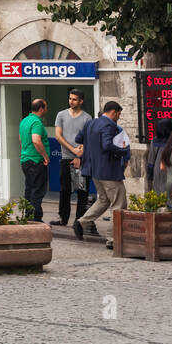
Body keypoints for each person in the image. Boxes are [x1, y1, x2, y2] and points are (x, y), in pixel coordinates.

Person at [73, 100, 129, 242]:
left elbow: (78, 138)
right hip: (109, 169)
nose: (119, 117)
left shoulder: (90, 123)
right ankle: (113, 239)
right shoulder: (110, 124)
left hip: (94, 170)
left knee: (103, 200)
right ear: (113, 112)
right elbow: (107, 145)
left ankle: (81, 222)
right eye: (119, 114)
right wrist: (122, 151)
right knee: (119, 203)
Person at [51, 89, 91, 228]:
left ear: (81, 101)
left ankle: (79, 221)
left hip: (81, 159)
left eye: (74, 99)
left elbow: (88, 139)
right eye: (70, 98)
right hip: (66, 157)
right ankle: (63, 218)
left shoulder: (87, 118)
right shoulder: (61, 115)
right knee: (65, 190)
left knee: (82, 191)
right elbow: (58, 135)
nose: (71, 101)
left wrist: (79, 154)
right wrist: (72, 150)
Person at [18, 98, 49, 222]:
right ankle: (35, 218)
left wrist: (26, 150)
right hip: (36, 161)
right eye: (46, 107)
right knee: (37, 190)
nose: (47, 109)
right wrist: (45, 156)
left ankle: (28, 215)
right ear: (41, 109)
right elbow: (36, 140)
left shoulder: (24, 121)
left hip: (25, 159)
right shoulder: (36, 123)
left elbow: (21, 139)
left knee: (29, 188)